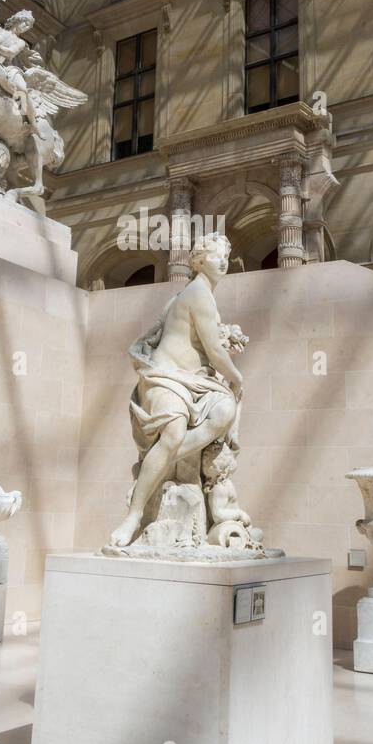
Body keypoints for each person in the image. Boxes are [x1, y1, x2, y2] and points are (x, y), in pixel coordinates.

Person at [109, 232, 243, 548]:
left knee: (224, 410)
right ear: (198, 261)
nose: (223, 260)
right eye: (214, 255)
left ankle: (158, 465)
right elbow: (214, 349)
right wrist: (237, 378)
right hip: (165, 379)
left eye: (225, 254)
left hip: (194, 382)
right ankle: (134, 514)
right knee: (173, 430)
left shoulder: (197, 295)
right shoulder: (197, 293)